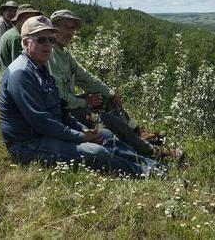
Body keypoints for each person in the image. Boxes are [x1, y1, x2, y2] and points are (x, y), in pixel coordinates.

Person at [0, 16, 162, 176]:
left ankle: (148, 163)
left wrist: (85, 130)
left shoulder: (40, 69)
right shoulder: (21, 73)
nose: (48, 45)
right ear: (26, 43)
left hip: (46, 134)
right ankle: (145, 172)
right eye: (41, 40)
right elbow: (41, 122)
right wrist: (81, 136)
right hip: (27, 145)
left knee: (104, 134)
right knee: (95, 151)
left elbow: (60, 111)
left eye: (51, 40)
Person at [47, 9, 158, 158]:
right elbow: (60, 98)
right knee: (109, 121)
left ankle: (136, 133)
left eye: (72, 28)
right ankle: (150, 151)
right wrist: (83, 101)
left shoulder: (64, 53)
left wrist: (110, 93)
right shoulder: (50, 54)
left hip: (70, 104)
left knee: (106, 98)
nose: (70, 32)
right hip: (63, 111)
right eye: (65, 27)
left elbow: (86, 77)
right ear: (53, 28)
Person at [0, 4, 42, 74]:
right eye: (28, 18)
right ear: (19, 19)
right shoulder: (17, 37)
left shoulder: (13, 32)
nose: (32, 22)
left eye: (34, 19)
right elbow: (20, 67)